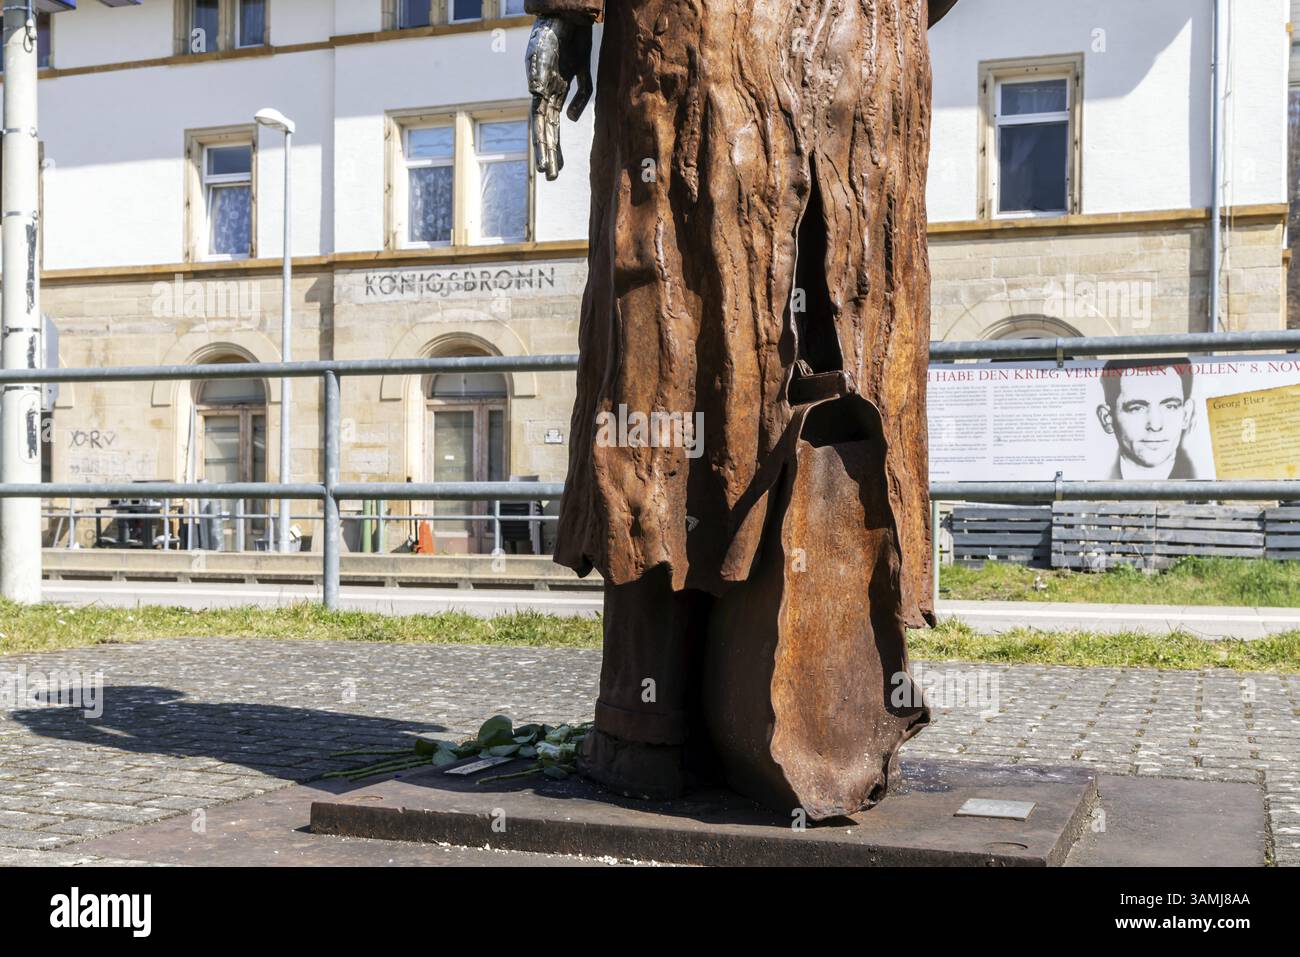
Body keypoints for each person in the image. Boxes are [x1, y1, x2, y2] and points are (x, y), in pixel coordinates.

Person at [524, 0, 959, 799]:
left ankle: (660, 724)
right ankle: (808, 718)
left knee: (673, 348)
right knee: (804, 339)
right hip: (848, 51)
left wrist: (563, 17)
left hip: (699, 52)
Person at [1096, 359, 1199, 480]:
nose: (1155, 425)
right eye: (1137, 408)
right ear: (1107, 418)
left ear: (1186, 415)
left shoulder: (1207, 484)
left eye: (1170, 407)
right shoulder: (1088, 483)